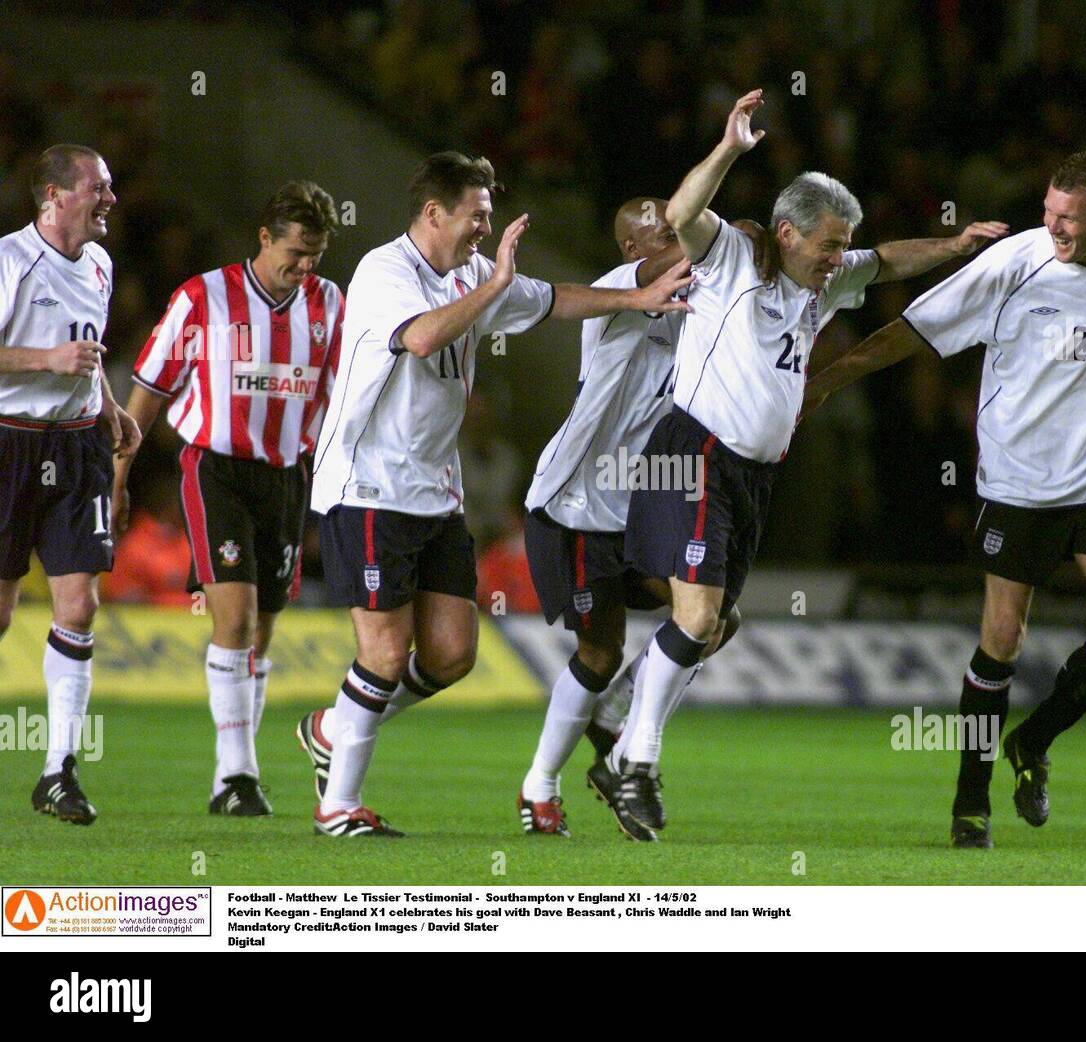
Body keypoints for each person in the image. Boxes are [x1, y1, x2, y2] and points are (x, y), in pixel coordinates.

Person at [804, 151, 1086, 849]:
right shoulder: (1013, 263)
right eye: (1048, 211)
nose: (1054, 226)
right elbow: (913, 329)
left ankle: (1033, 742)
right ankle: (970, 803)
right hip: (1018, 480)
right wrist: (827, 381)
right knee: (1001, 638)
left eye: (1068, 217)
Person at [609, 90, 1007, 836]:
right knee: (694, 615)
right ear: (787, 232)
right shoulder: (732, 259)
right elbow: (680, 213)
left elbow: (885, 262)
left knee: (714, 624)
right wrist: (728, 148)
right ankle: (636, 764)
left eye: (841, 246)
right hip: (695, 452)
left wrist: (952, 250)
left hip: (753, 476)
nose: (837, 259)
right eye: (827, 245)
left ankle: (620, 731)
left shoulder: (820, 280)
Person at [299, 152, 692, 837]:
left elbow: (553, 301)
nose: (485, 226)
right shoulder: (384, 271)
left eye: (488, 214)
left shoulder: (479, 274)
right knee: (386, 656)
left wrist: (633, 299)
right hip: (368, 486)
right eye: (476, 214)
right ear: (433, 214)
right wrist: (494, 284)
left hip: (433, 492)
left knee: (451, 655)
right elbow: (422, 338)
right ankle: (338, 805)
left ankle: (333, 727)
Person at [517, 197, 744, 841]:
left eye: (682, 231)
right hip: (579, 503)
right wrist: (721, 233)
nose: (678, 242)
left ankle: (617, 722)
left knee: (714, 617)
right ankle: (540, 786)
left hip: (649, 501)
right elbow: (654, 275)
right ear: (628, 250)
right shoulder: (622, 289)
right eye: (662, 234)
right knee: (600, 648)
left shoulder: (705, 300)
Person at [115, 181, 343, 816]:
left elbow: (339, 397)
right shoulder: (203, 297)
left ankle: (241, 772)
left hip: (288, 474)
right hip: (215, 467)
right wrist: (118, 477)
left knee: (264, 629)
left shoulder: (331, 304)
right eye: (295, 253)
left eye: (316, 256)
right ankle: (234, 775)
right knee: (235, 619)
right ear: (265, 238)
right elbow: (150, 389)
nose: (304, 268)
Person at [0, 143, 141, 825]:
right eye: (98, 187)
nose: (109, 198)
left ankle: (57, 771)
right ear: (55, 196)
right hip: (9, 443)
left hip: (78, 441)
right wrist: (43, 359)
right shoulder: (9, 260)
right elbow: (54, 354)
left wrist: (112, 409)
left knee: (78, 605)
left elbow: (84, 353)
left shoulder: (102, 264)